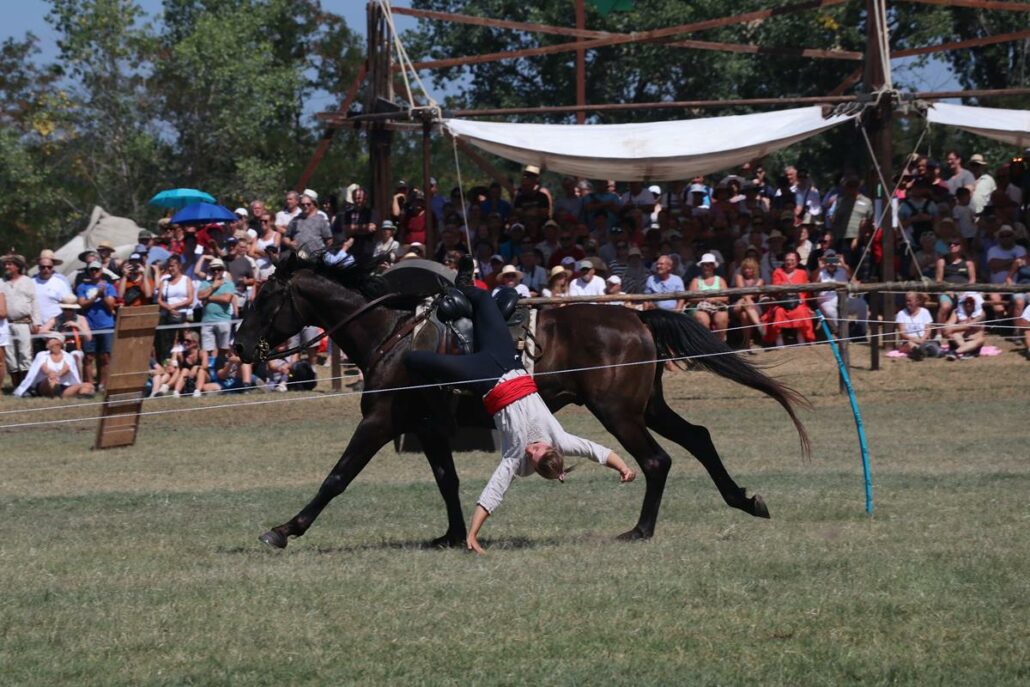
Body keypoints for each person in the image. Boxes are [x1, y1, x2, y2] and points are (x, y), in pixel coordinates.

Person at [404, 265, 635, 554]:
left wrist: (473, 535)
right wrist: (624, 467)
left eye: (533, 458)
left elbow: (493, 494)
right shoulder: (559, 438)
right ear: (550, 449)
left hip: (485, 377)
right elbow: (595, 451)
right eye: (537, 450)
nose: (531, 450)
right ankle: (465, 286)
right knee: (486, 300)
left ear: (534, 467)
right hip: (508, 362)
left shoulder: (515, 458)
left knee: (415, 360)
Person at [75, 260, 117, 390]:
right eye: (91, 270)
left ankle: (103, 384)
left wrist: (103, 294)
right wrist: (95, 297)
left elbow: (111, 306)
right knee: (88, 356)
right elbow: (82, 304)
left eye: (96, 270)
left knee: (105, 356)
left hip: (106, 325)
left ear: (101, 271)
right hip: (89, 326)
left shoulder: (109, 286)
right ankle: (89, 385)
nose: (94, 272)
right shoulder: (82, 287)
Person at [13, 331, 94, 398]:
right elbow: (46, 370)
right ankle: (57, 393)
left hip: (64, 386)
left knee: (88, 386)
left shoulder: (68, 356)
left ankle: (79, 395)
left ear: (58, 342)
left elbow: (66, 369)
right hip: (45, 384)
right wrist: (51, 374)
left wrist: (57, 375)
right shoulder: (42, 355)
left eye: (49, 339)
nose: (46, 341)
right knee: (51, 381)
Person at [2, 253, 42, 388]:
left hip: (23, 323)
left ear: (17, 267)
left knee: (25, 354)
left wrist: (36, 322)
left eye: (10, 264)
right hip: (6, 324)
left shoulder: (27, 281)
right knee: (10, 356)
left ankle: (26, 387)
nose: (6, 267)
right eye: (5, 264)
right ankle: (16, 386)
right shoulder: (2, 282)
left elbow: (34, 302)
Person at [762, 251, 816, 345]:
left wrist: (807, 305)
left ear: (797, 261)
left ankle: (801, 337)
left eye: (792, 260)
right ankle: (779, 340)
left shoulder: (802, 273)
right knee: (779, 312)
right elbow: (775, 289)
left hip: (798, 302)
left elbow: (805, 292)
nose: (789, 262)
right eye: (787, 260)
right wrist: (784, 285)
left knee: (801, 311)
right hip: (781, 302)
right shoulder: (778, 272)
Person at [156, 255, 194, 361]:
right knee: (166, 341)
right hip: (167, 316)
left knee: (181, 340)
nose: (170, 268)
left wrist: (175, 306)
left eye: (173, 266)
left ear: (179, 266)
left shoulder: (186, 280)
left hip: (182, 315)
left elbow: (190, 298)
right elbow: (159, 299)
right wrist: (168, 307)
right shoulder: (165, 281)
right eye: (169, 266)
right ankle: (167, 361)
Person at [196, 258, 236, 360]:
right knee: (207, 350)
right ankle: (211, 370)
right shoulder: (205, 283)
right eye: (213, 269)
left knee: (223, 349)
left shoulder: (229, 284)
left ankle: (221, 369)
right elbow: (200, 296)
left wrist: (208, 298)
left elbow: (226, 299)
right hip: (207, 321)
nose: (216, 271)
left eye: (218, 269)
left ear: (223, 270)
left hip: (223, 320)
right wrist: (213, 287)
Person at [688, 253, 729, 341]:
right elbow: (691, 298)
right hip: (699, 307)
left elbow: (725, 297)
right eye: (703, 265)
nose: (705, 267)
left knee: (722, 318)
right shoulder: (696, 280)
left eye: (708, 265)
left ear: (713, 266)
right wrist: (705, 299)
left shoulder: (720, 280)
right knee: (702, 319)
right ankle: (707, 344)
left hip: (717, 306)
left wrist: (714, 299)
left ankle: (719, 344)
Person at [731, 256, 764, 352]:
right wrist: (744, 300)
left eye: (749, 268)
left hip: (753, 307)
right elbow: (742, 290)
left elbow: (754, 293)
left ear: (754, 269)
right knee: (746, 306)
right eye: (745, 268)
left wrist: (743, 301)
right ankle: (758, 324)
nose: (747, 270)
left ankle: (746, 344)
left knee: (744, 315)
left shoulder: (760, 280)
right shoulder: (739, 277)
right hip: (741, 305)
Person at [894, 292, 937, 360]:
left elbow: (928, 330)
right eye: (906, 301)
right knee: (910, 344)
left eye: (910, 301)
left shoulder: (925, 312)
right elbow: (902, 334)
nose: (907, 303)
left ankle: (921, 351)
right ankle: (919, 352)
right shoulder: (901, 313)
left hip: (923, 340)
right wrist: (915, 339)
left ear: (917, 301)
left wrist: (922, 339)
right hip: (907, 341)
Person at [944, 292, 986, 360]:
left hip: (973, 341)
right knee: (954, 334)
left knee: (981, 339)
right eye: (965, 302)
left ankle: (955, 352)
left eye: (971, 302)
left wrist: (952, 329)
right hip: (958, 341)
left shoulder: (981, 314)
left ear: (976, 303)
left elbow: (969, 326)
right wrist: (947, 328)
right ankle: (966, 351)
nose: (968, 304)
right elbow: (948, 325)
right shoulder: (956, 312)